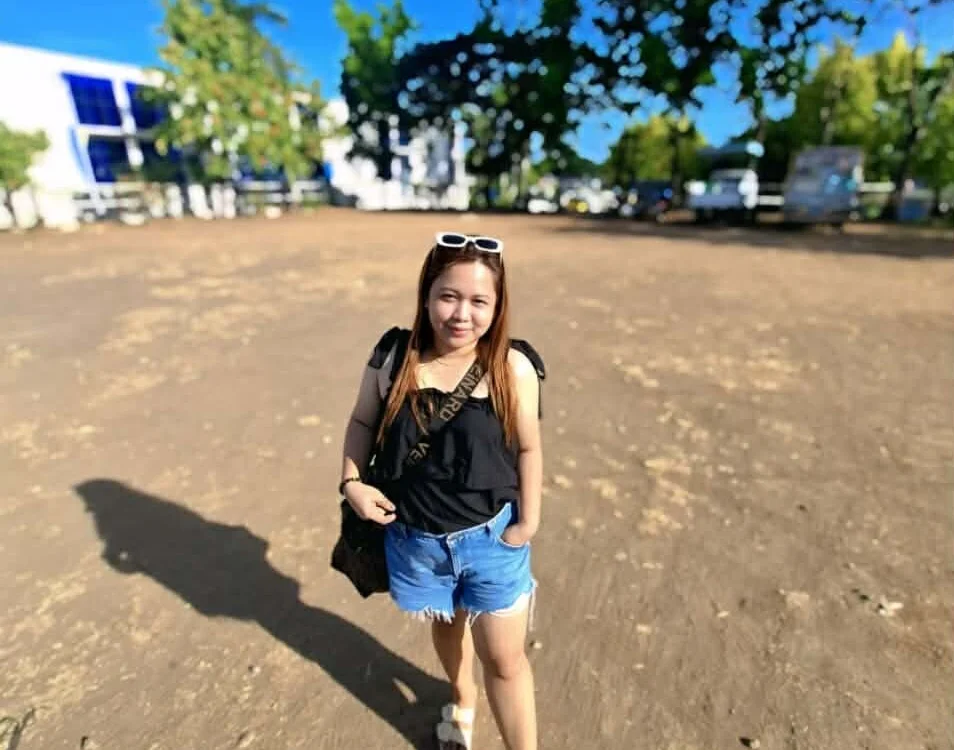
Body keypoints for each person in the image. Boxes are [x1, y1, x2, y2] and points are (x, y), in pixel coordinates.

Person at [339, 232, 545, 750]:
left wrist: (528, 522)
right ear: (426, 294)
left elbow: (529, 448)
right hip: (416, 543)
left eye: (479, 301)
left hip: (492, 541)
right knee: (448, 626)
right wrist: (352, 483)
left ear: (497, 306)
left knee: (505, 660)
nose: (461, 315)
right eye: (448, 296)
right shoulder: (394, 357)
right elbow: (362, 421)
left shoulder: (512, 367)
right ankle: (462, 699)